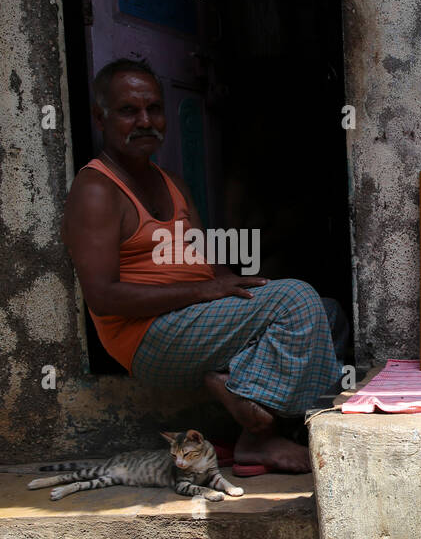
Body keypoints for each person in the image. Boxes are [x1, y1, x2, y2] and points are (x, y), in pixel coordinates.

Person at [61, 58, 340, 473]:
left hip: (193, 316)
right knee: (295, 299)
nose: (144, 121)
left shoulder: (171, 182)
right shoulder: (96, 190)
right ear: (100, 116)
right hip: (147, 336)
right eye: (128, 111)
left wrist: (237, 284)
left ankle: (241, 391)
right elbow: (103, 299)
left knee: (326, 309)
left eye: (153, 109)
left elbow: (204, 266)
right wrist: (203, 292)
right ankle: (259, 434)